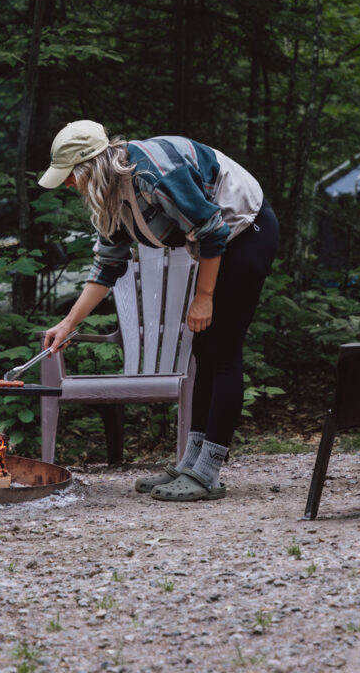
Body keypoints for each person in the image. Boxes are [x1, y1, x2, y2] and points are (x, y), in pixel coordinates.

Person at [37, 119, 279, 501]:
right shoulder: (111, 197)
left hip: (247, 231)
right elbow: (107, 267)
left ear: (88, 166)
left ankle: (209, 473)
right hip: (218, 244)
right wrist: (68, 323)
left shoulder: (153, 172)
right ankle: (190, 464)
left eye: (69, 176)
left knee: (224, 351)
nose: (68, 185)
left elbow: (212, 229)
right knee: (203, 350)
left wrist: (204, 297)